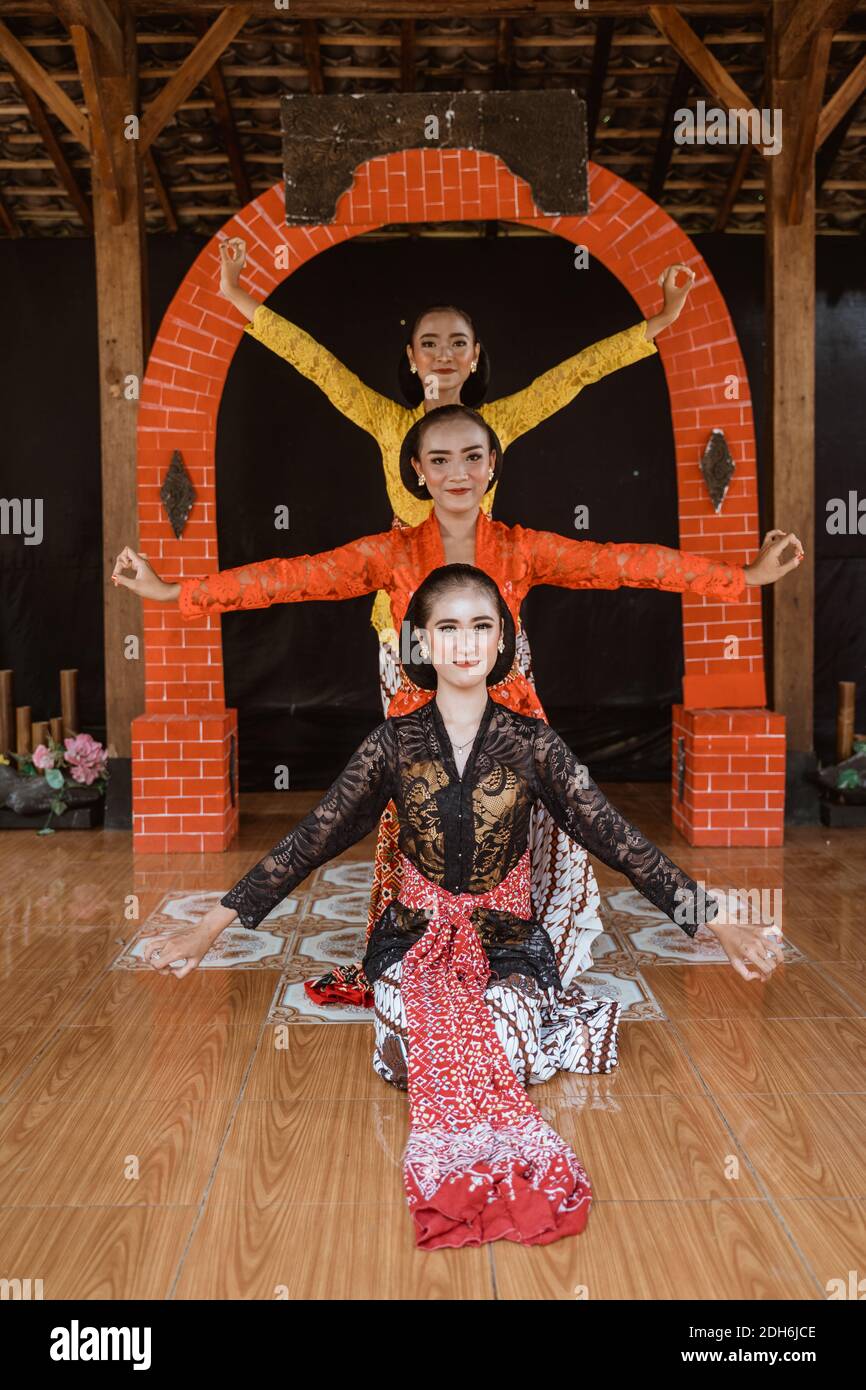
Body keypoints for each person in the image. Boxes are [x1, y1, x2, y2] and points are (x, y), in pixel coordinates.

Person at [137, 565, 784, 1252]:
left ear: (502, 638)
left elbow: (621, 841)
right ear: (420, 643)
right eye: (448, 628)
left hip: (508, 939)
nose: (466, 643)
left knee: (498, 1033)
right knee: (406, 1054)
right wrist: (206, 930)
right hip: (413, 938)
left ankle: (532, 1032)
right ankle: (532, 1040)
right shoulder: (392, 743)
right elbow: (308, 841)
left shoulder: (535, 745)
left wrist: (719, 923)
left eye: (481, 626)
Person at [112, 406, 803, 1010]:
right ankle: (424, 961)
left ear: (493, 464)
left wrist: (741, 580)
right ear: (416, 469)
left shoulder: (521, 549)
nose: (457, 472)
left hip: (512, 732)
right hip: (425, 734)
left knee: (551, 858)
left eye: (473, 456)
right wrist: (177, 595)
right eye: (439, 459)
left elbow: (624, 562)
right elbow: (288, 578)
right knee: (425, 858)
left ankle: (518, 974)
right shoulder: (393, 554)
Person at [218, 234, 697, 704]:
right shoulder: (388, 421)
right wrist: (238, 297)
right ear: (411, 357)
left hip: (488, 603)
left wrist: (660, 320)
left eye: (457, 344)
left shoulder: (496, 424)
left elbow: (573, 375)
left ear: (474, 357)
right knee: (418, 763)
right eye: (428, 343)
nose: (443, 354)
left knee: (505, 755)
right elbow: (319, 365)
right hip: (406, 608)